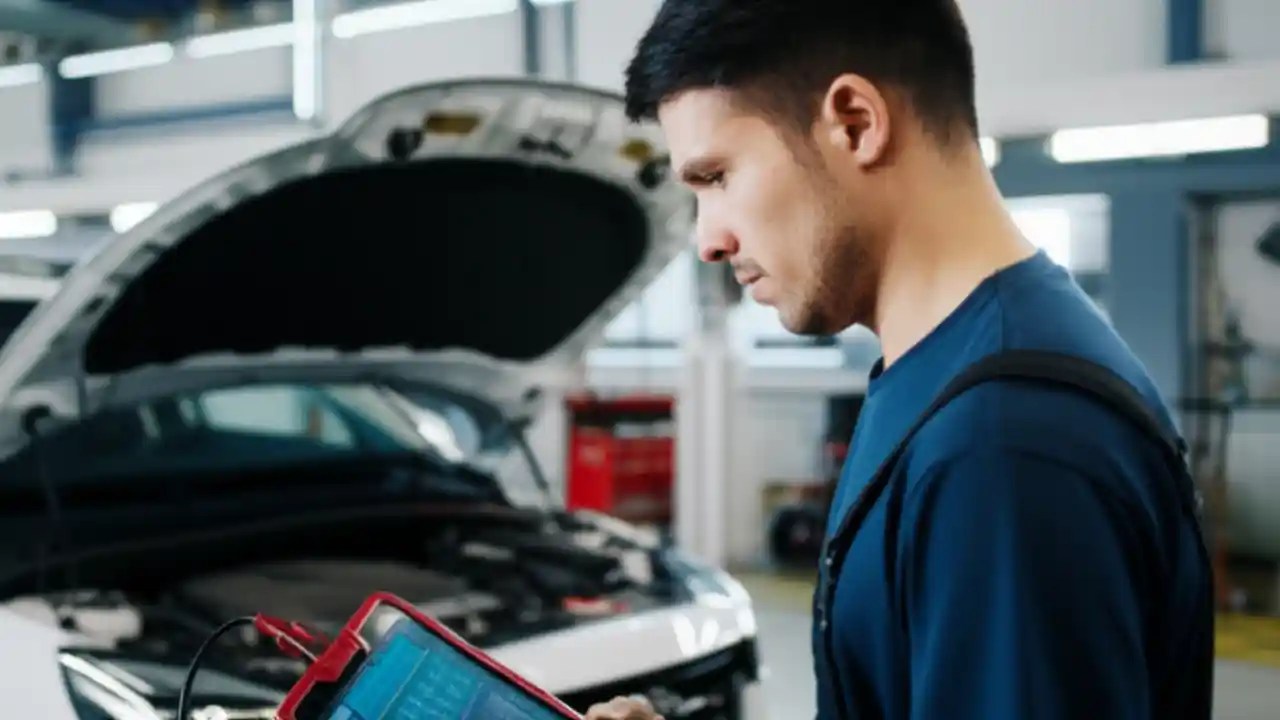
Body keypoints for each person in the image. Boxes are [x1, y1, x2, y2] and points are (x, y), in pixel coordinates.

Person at [585, 1, 1214, 719]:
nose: (709, 241)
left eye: (717, 177)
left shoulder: (1003, 441)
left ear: (855, 123)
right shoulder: (947, 374)